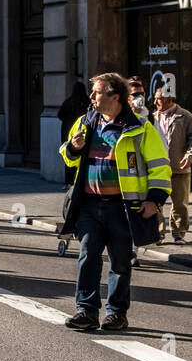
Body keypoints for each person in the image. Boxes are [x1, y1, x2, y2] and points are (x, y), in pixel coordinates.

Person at [59, 72, 171, 332]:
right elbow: (67, 154)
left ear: (115, 96)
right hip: (89, 204)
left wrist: (154, 200)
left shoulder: (140, 128)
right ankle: (85, 311)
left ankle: (116, 314)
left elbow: (160, 168)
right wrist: (73, 147)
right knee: (88, 257)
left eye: (97, 92)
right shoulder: (85, 122)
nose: (91, 97)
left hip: (122, 207)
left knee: (120, 262)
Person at [152, 88, 192, 245]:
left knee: (180, 203)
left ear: (168, 99)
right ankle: (158, 233)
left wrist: (190, 157)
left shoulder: (184, 116)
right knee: (155, 203)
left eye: (158, 98)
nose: (154, 102)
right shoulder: (152, 117)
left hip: (179, 167)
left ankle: (178, 233)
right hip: (158, 168)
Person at [57, 82, 88, 187]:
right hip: (80, 131)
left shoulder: (68, 101)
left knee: (70, 155)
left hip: (67, 130)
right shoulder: (87, 101)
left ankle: (68, 182)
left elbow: (60, 115)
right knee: (80, 157)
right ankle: (77, 181)